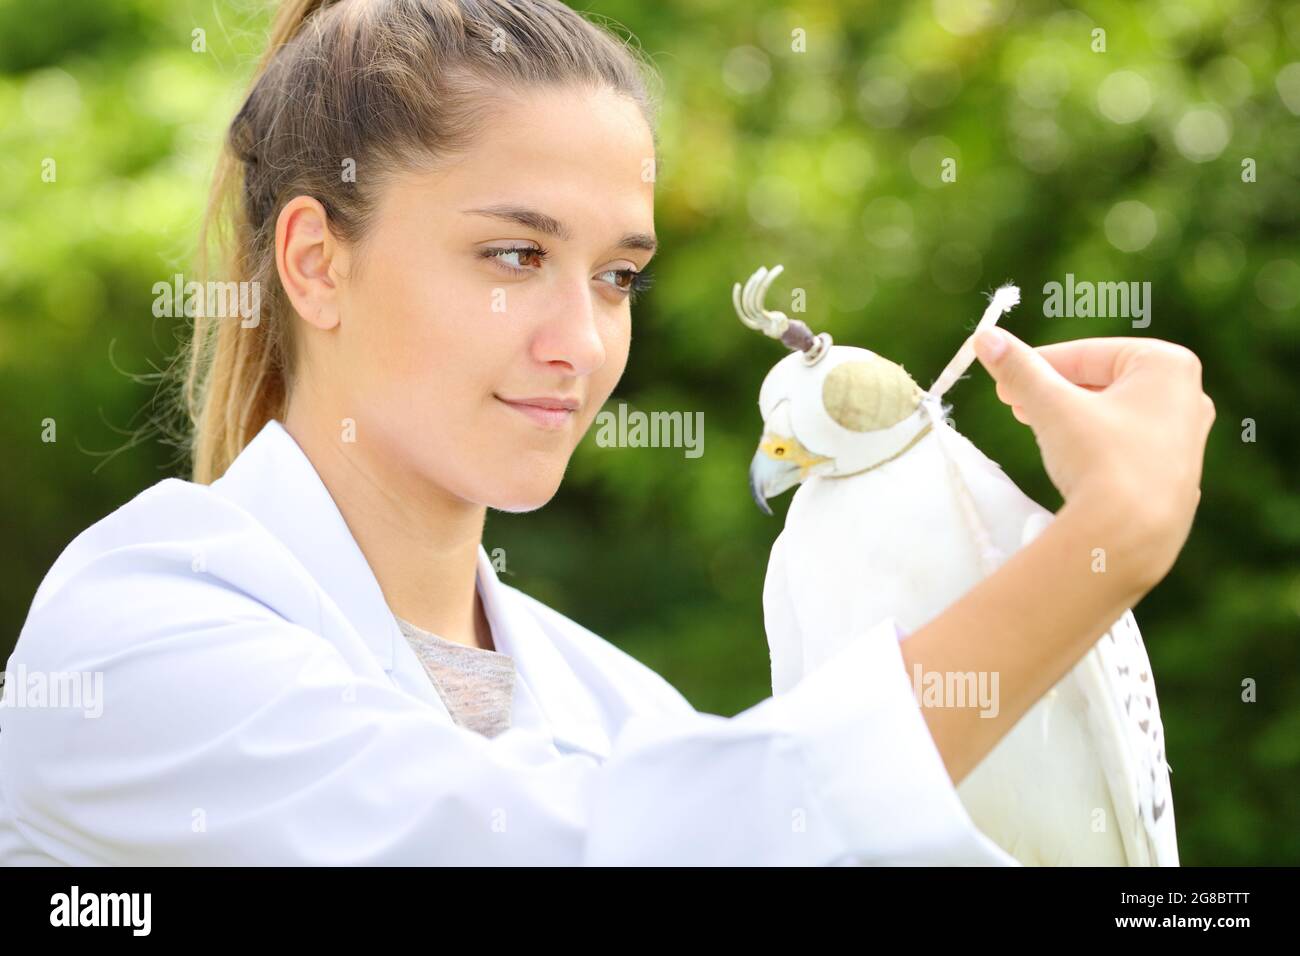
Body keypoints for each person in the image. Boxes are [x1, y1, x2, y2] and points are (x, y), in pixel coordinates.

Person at [0, 0, 1214, 865]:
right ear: (317, 262)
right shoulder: (136, 639)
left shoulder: (623, 706)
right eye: (514, 254)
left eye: (618, 275)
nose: (581, 341)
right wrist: (1102, 545)